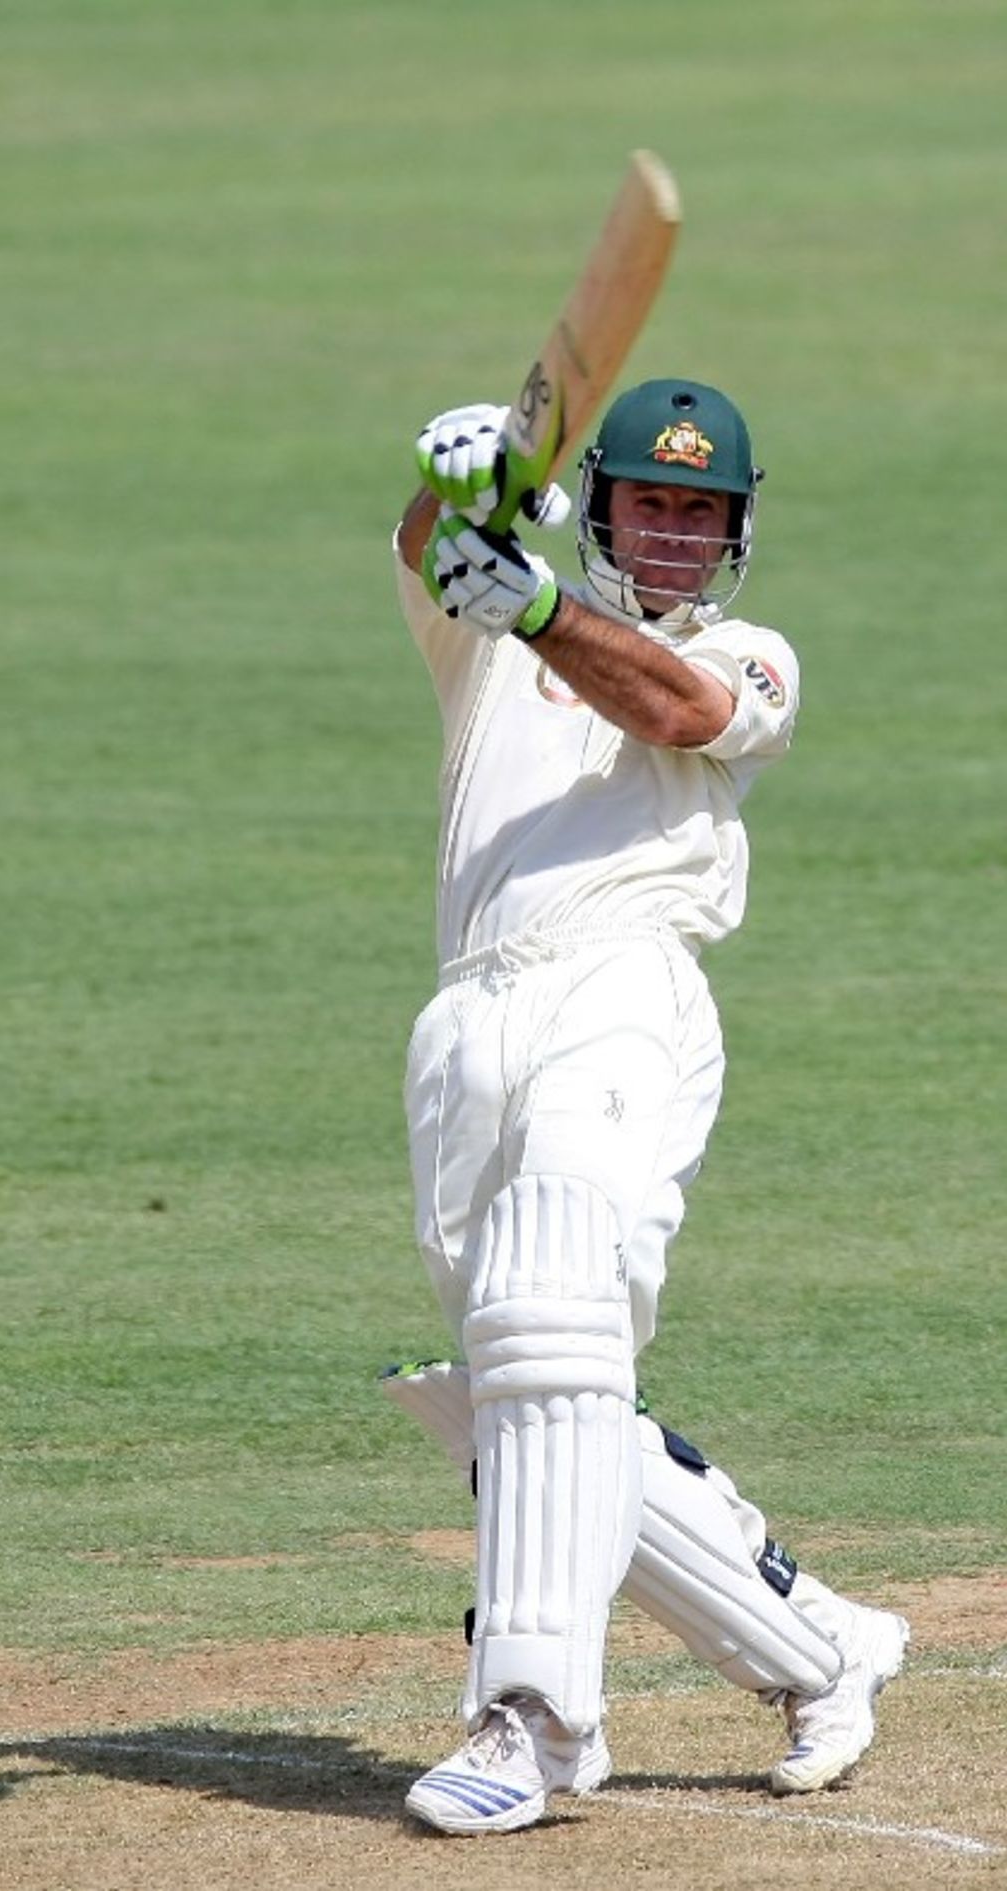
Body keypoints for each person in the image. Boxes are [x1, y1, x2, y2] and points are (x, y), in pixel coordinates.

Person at [389, 380, 909, 1835]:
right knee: (529, 1387)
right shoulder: (482, 634)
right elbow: (434, 536)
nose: (677, 534)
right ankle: (825, 1650)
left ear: (734, 534)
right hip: (466, 1015)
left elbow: (679, 707)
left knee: (551, 1312)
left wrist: (542, 604)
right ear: (604, 504)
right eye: (653, 503)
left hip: (625, 991)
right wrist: (470, 470)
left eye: (704, 512)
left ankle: (533, 1720)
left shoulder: (750, 654)